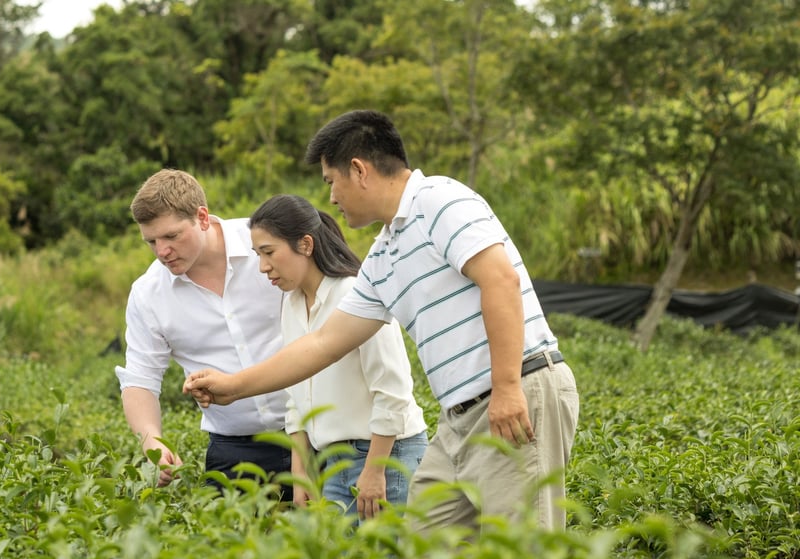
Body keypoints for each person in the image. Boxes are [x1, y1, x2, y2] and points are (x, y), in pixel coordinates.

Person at [185, 110, 580, 534]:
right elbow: (323, 344)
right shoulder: (384, 253)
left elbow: (500, 280)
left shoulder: (440, 199)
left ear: (359, 170)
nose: (331, 198)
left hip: (516, 391)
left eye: (330, 182)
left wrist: (506, 387)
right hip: (459, 416)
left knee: (523, 555)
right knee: (425, 552)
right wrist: (234, 386)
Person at [249, 193, 428, 520]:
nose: (263, 267)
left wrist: (376, 471)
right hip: (334, 461)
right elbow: (297, 396)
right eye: (257, 255)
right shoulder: (291, 304)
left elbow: (393, 391)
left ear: (305, 244)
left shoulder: (356, 295)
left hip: (386, 454)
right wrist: (300, 473)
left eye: (269, 252)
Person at [114, 169, 292, 497]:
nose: (161, 251)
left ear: (202, 217)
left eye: (171, 236)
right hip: (233, 449)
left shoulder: (267, 244)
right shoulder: (148, 293)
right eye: (151, 241)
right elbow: (139, 379)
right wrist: (152, 441)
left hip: (313, 431)